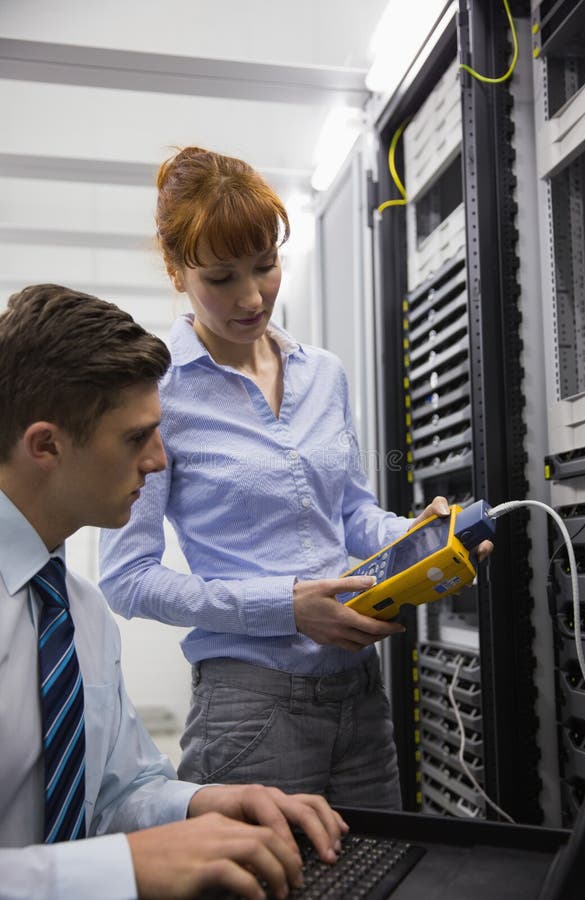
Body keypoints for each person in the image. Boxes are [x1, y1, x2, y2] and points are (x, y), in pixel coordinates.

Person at [99, 147, 493, 810]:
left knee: (380, 878)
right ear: (176, 270)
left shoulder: (324, 376)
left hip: (362, 695)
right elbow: (127, 578)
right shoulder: (157, 392)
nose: (252, 297)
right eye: (222, 277)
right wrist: (285, 606)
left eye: (265, 266)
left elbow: (354, 518)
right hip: (250, 709)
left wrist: (425, 537)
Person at [0, 283, 349, 900]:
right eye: (137, 438)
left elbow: (120, 793)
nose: (161, 461)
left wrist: (210, 802)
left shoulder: (78, 613)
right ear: (46, 445)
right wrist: (122, 869)